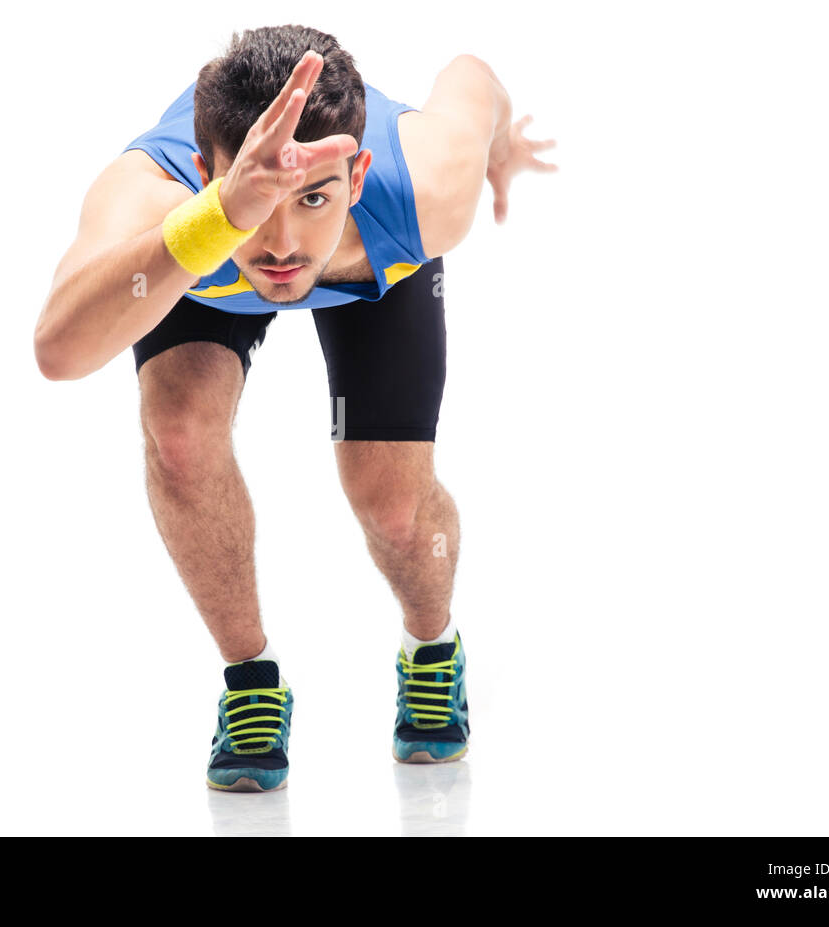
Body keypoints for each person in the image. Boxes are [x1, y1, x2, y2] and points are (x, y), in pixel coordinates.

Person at [33, 25, 557, 791]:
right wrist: (218, 219)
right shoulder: (158, 193)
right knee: (179, 437)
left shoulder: (427, 189)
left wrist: (501, 141)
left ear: (358, 169)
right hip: (202, 255)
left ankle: (433, 645)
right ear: (209, 170)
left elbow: (471, 74)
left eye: (312, 196)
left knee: (395, 507)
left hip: (372, 259)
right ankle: (251, 683)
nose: (281, 241)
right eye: (259, 199)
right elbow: (58, 350)